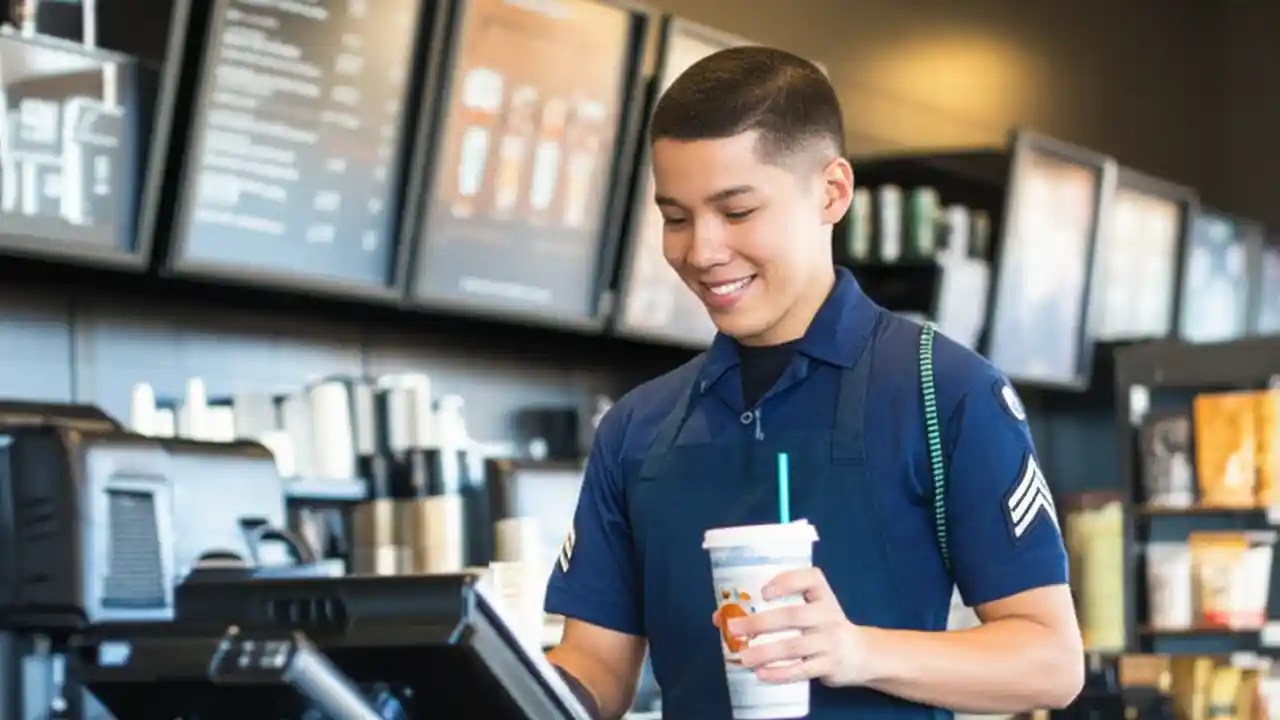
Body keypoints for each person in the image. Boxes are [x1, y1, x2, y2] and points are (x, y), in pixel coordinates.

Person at [544, 45, 1084, 719]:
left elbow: (1050, 662)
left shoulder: (945, 390)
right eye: (676, 218)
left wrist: (855, 651)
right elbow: (596, 665)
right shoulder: (637, 427)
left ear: (831, 192)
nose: (702, 250)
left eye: (737, 212)